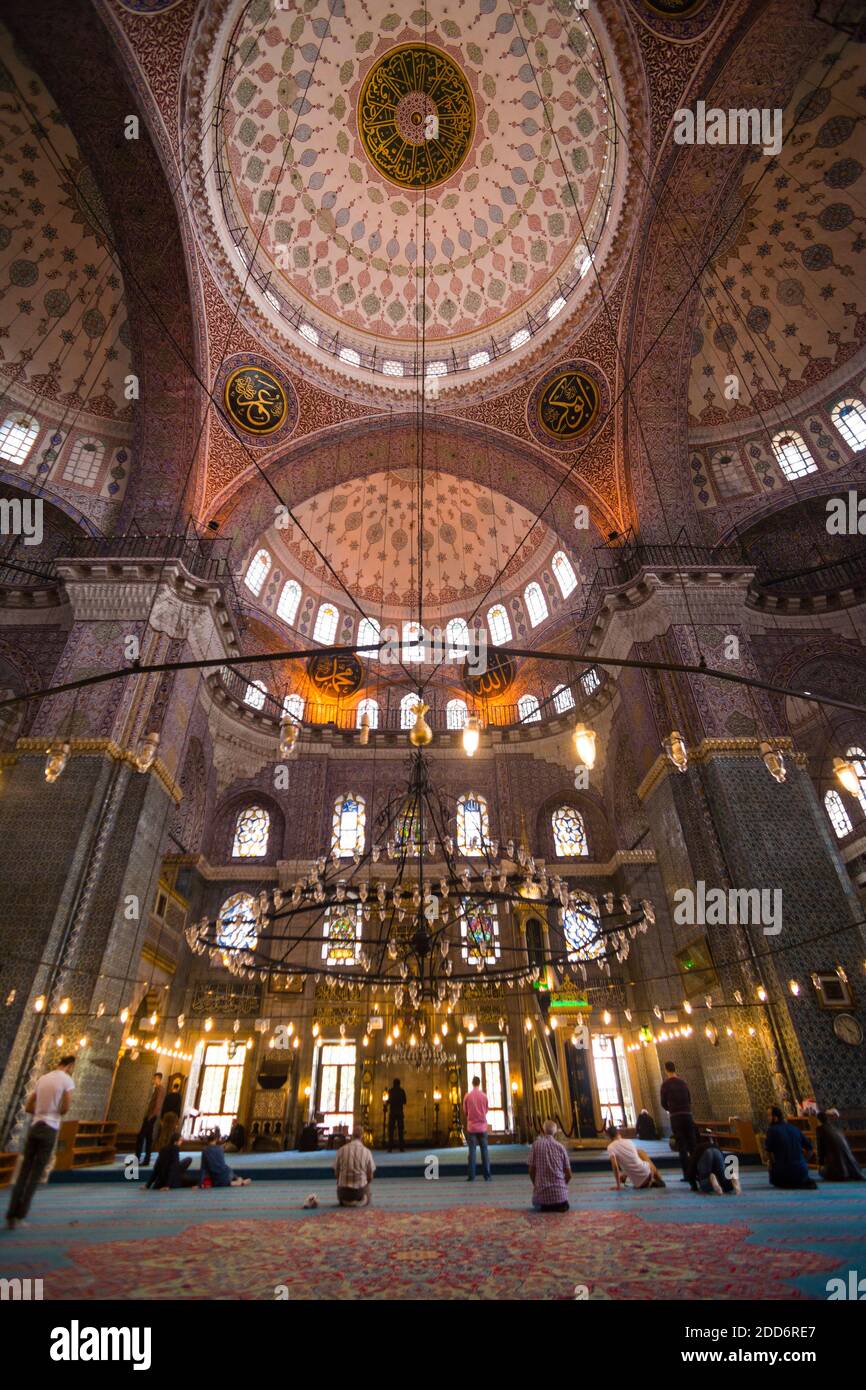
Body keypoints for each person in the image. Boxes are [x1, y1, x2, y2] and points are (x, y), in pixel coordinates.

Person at [6, 1054, 76, 1230]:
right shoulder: (66, 1080)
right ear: (70, 1065)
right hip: (50, 1128)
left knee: (24, 1172)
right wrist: (54, 1112)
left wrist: (41, 1111)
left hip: (35, 1126)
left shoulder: (43, 1078)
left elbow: (29, 1106)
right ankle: (21, 1215)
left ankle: (10, 1214)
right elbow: (66, 1107)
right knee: (35, 1174)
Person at [660, 1060, 698, 1186]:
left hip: (676, 1117)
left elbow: (663, 1102)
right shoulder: (683, 1083)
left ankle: (688, 1175)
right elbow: (689, 1098)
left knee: (681, 1146)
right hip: (688, 1115)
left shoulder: (666, 1084)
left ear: (666, 1070)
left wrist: (671, 1109)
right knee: (692, 1145)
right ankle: (697, 1172)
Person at [764, 1106, 816, 1189]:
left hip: (785, 1174)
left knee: (770, 1164)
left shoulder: (772, 1130)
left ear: (775, 1117)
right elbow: (810, 1149)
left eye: (769, 1115)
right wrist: (803, 1161)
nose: (767, 1118)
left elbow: (768, 1152)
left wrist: (772, 1165)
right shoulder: (795, 1128)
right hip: (803, 1172)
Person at [528, 1119, 572, 1211]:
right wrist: (562, 1186)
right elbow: (569, 1175)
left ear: (543, 1131)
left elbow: (531, 1171)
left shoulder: (536, 1145)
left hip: (542, 1200)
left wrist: (536, 1186)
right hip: (561, 1200)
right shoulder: (561, 1147)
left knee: (537, 1204)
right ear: (555, 1133)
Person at [607, 1124, 666, 1190]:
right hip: (648, 1173)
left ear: (609, 1136)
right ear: (618, 1132)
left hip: (638, 1184)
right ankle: (659, 1179)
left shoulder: (610, 1147)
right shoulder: (629, 1141)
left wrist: (618, 1186)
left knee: (634, 1155)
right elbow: (632, 1159)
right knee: (641, 1152)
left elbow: (615, 1166)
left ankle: (651, 1182)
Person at [145, 1115, 196, 1190]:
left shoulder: (163, 1149)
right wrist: (167, 1185)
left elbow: (157, 1167)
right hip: (171, 1180)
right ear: (176, 1142)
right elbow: (173, 1168)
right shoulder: (175, 1149)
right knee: (194, 1180)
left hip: (161, 1179)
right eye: (180, 1140)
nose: (181, 1142)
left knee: (188, 1160)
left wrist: (147, 1185)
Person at [687, 1130, 740, 1195]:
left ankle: (710, 1180)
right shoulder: (712, 1144)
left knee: (704, 1179)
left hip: (705, 1153)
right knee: (723, 1178)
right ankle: (731, 1181)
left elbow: (691, 1170)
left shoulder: (696, 1149)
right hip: (717, 1150)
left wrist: (694, 1187)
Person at [816, 1110, 864, 1182]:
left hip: (838, 1171)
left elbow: (820, 1148)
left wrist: (821, 1164)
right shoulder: (837, 1128)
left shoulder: (820, 1129)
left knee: (821, 1172)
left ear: (819, 1120)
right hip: (853, 1168)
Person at [334, 1124, 376, 1206]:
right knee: (367, 1189)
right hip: (360, 1194)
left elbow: (336, 1174)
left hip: (343, 1194)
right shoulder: (367, 1152)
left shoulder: (341, 1150)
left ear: (351, 1136)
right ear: (362, 1137)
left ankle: (345, 1201)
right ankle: (362, 1200)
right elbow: (370, 1177)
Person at [463, 1075, 491, 1182]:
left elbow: (465, 1111)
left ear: (472, 1083)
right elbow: (486, 1110)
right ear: (479, 1083)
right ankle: (487, 1175)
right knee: (485, 1151)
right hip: (483, 1127)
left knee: (472, 1152)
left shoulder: (467, 1096)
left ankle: (472, 1176)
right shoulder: (484, 1096)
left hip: (472, 1128)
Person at [135, 1071, 166, 1167]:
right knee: (148, 1139)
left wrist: (150, 1117)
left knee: (141, 1137)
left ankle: (137, 1158)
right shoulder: (157, 1088)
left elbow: (158, 1104)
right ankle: (146, 1160)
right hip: (150, 1116)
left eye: (154, 1078)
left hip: (151, 1117)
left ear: (158, 1079)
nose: (153, 1080)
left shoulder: (160, 1089)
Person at [387, 1078, 407, 1152]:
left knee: (391, 1131)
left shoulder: (390, 1091)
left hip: (392, 1112)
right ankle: (401, 1148)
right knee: (400, 1130)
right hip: (400, 1112)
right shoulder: (402, 1091)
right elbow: (405, 1101)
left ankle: (390, 1148)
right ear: (399, 1083)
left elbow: (388, 1101)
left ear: (393, 1083)